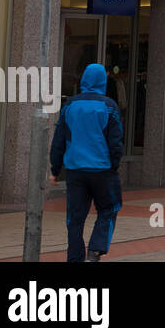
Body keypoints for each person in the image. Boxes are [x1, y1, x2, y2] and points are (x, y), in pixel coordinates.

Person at [49, 62, 123, 262]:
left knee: (75, 219)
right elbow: (116, 143)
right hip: (102, 170)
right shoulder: (109, 107)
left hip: (75, 170)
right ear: (103, 81)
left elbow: (59, 140)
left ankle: (75, 259)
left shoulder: (70, 105)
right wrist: (114, 166)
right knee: (109, 209)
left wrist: (55, 170)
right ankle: (95, 250)